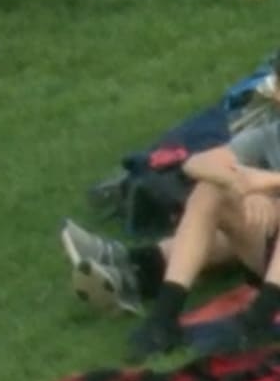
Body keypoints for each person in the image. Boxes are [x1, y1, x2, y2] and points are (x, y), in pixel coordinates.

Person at [62, 115, 280, 362]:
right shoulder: (270, 134)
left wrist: (267, 183)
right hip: (268, 251)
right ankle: (164, 317)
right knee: (210, 189)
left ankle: (259, 320)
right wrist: (240, 184)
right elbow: (195, 163)